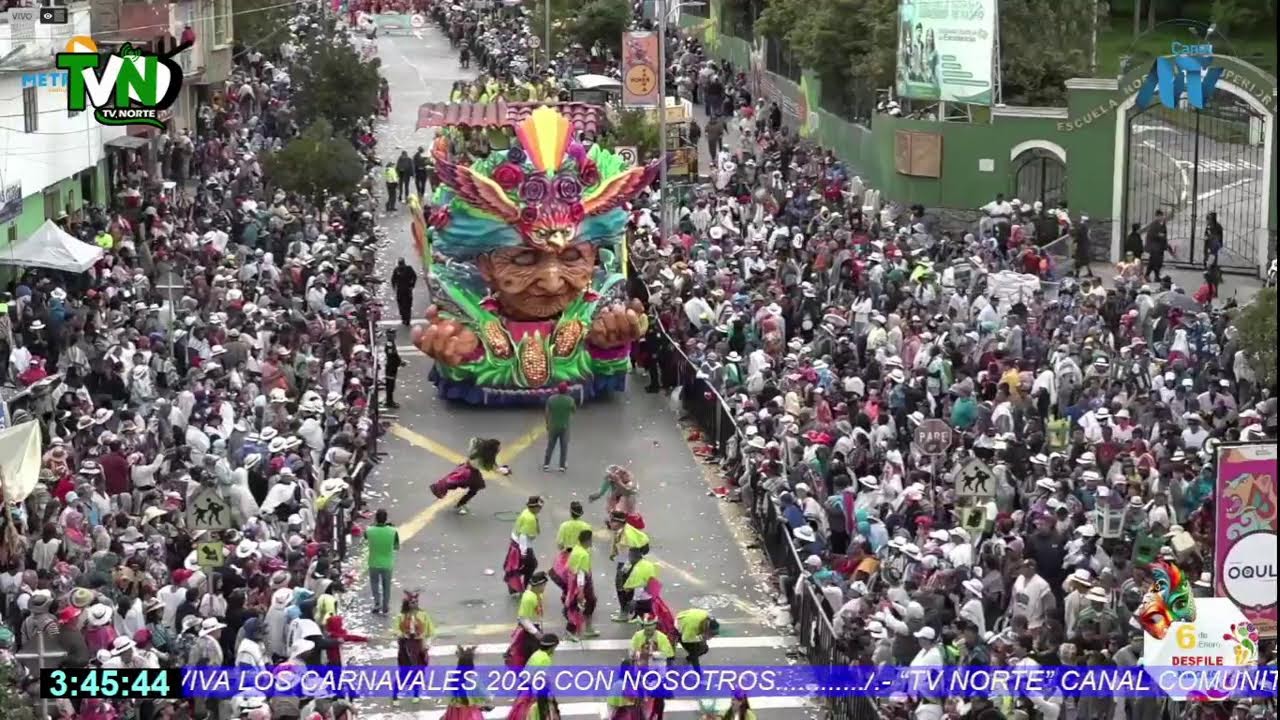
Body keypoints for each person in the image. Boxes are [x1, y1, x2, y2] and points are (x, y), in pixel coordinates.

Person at [430, 437, 510, 514]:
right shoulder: (484, 459)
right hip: (470, 474)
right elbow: (494, 468)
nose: (500, 449)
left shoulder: (478, 450)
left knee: (455, 482)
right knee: (475, 487)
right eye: (498, 448)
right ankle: (461, 505)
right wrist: (505, 471)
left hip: (465, 468)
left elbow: (474, 441)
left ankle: (442, 489)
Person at [392, 591, 435, 705]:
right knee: (404, 672)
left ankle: (416, 694)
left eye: (416, 602)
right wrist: (402, 634)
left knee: (418, 671)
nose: (414, 604)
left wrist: (427, 644)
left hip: (419, 646)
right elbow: (395, 630)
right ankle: (395, 695)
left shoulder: (424, 615)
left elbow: (431, 631)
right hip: (405, 646)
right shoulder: (401, 616)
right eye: (412, 602)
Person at [504, 571, 549, 669]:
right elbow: (523, 619)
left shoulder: (537, 595)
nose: (544, 587)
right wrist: (536, 633)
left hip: (535, 628)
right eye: (544, 585)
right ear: (538, 585)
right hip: (529, 632)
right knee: (530, 656)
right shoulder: (528, 598)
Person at [503, 495, 544, 595]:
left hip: (516, 543)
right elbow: (523, 536)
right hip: (521, 546)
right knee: (531, 565)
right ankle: (521, 586)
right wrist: (524, 553)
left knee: (523, 566)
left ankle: (515, 584)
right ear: (534, 507)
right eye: (539, 507)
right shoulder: (530, 518)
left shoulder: (527, 512)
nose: (541, 509)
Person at [563, 528, 598, 640]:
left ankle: (587, 627)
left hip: (573, 581)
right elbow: (581, 573)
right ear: (588, 540)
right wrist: (581, 591)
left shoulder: (576, 549)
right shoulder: (583, 554)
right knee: (580, 606)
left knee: (590, 602)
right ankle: (572, 630)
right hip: (582, 584)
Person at [550, 501, 591, 592]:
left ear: (570, 512)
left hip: (568, 556)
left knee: (568, 579)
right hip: (582, 556)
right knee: (581, 578)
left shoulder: (564, 526)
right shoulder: (586, 526)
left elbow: (560, 544)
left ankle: (568, 595)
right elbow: (588, 545)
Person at [365, 509, 400, 615]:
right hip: (387, 564)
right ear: (386, 519)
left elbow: (365, 536)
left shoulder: (369, 530)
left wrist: (373, 525)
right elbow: (396, 547)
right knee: (386, 586)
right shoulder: (393, 531)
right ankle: (385, 606)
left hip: (373, 562)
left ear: (376, 518)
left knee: (374, 584)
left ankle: (377, 603)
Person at [542, 382, 576, 472]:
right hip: (564, 427)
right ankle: (561, 466)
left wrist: (547, 424)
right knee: (564, 447)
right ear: (566, 390)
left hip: (553, 426)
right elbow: (573, 411)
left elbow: (546, 413)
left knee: (550, 446)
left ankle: (546, 465)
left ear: (558, 390)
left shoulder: (551, 399)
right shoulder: (570, 400)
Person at [391, 258, 418, 326]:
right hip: (401, 290)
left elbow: (414, 276)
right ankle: (404, 318)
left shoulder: (408, 269)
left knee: (407, 305)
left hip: (407, 289)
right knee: (402, 305)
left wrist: (412, 285)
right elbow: (393, 279)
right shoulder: (397, 270)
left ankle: (407, 319)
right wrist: (394, 287)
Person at [384, 329, 402, 409]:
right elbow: (393, 356)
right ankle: (389, 401)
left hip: (393, 366)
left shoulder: (392, 343)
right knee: (390, 385)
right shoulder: (390, 345)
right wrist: (400, 362)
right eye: (393, 334)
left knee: (391, 385)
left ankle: (390, 400)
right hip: (391, 367)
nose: (395, 335)